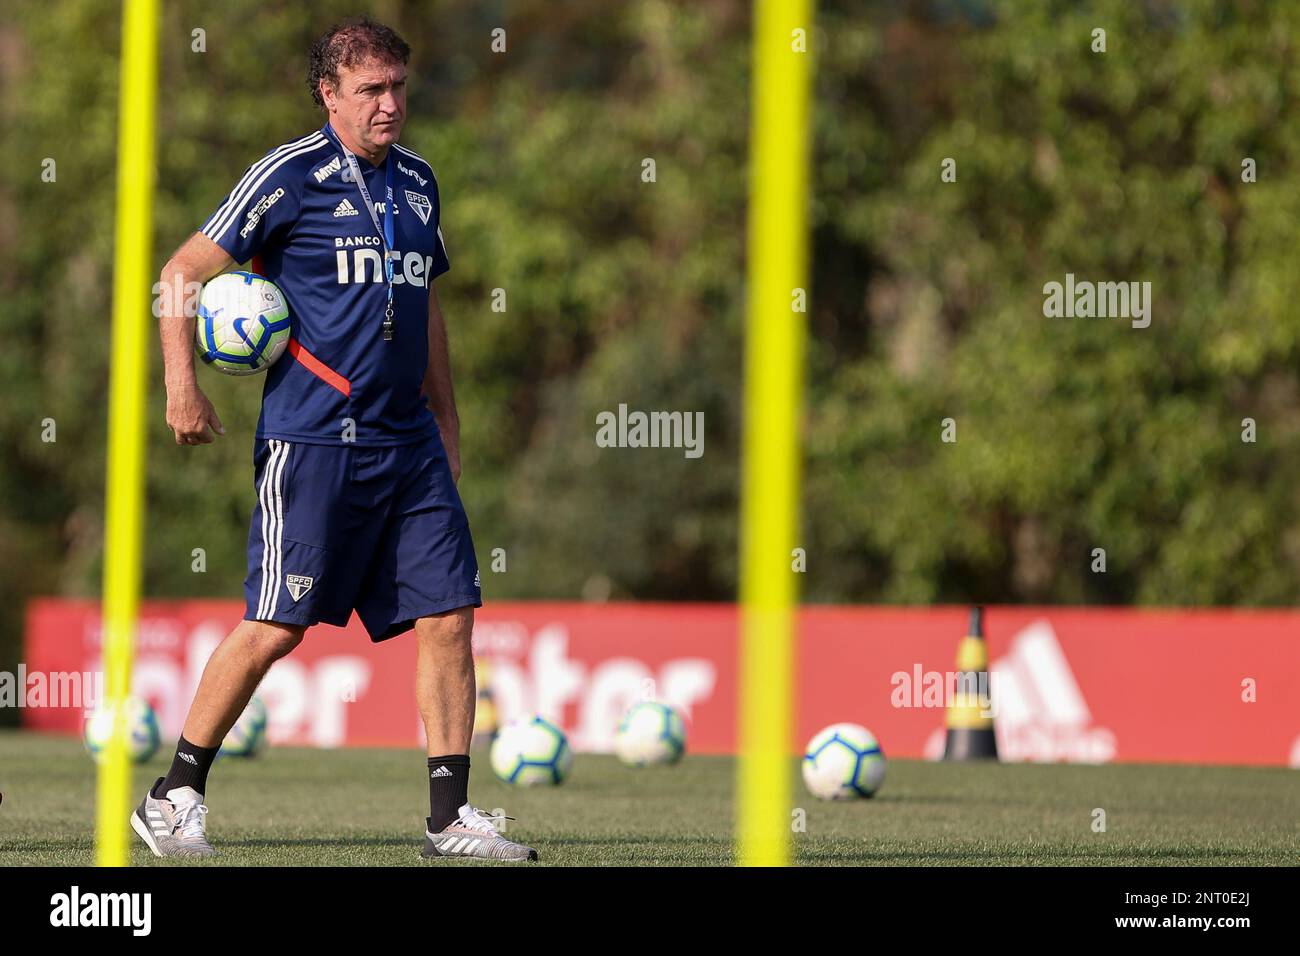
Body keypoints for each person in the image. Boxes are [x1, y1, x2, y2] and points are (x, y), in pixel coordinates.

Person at [138, 16, 536, 862]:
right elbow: (178, 276)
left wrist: (449, 419)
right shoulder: (290, 176)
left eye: (398, 87)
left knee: (450, 615)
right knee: (277, 624)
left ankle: (449, 818)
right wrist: (183, 386)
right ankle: (173, 795)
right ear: (329, 95)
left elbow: (423, 306)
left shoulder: (421, 182)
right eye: (371, 91)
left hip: (410, 444)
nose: (390, 105)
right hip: (314, 440)